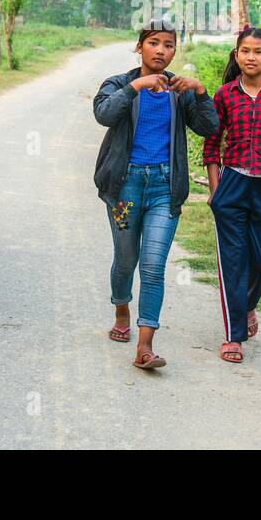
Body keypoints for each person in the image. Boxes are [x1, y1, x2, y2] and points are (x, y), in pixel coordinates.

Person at [92, 20, 218, 369]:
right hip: (124, 188)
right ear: (139, 47)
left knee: (152, 266)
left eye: (169, 45)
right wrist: (136, 87)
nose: (162, 50)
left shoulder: (180, 90)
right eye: (154, 43)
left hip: (165, 188)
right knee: (126, 260)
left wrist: (202, 92)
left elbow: (209, 128)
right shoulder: (118, 84)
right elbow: (104, 114)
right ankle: (121, 310)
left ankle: (145, 346)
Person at [201, 27, 261, 364]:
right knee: (233, 261)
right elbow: (212, 145)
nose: (251, 57)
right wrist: (216, 190)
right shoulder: (225, 95)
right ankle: (234, 336)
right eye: (245, 51)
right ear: (236, 55)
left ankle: (249, 304)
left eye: (258, 51)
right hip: (233, 185)